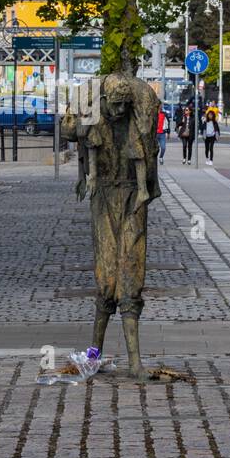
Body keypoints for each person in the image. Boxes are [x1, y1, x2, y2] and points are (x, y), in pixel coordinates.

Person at [62, 74, 159, 379]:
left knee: (131, 268)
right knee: (106, 275)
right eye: (114, 107)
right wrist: (85, 120)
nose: (118, 113)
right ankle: (94, 354)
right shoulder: (89, 100)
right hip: (103, 193)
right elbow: (69, 130)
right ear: (103, 102)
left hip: (132, 195)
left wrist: (143, 189)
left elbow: (145, 149)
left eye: (123, 107)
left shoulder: (141, 105)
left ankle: (134, 361)